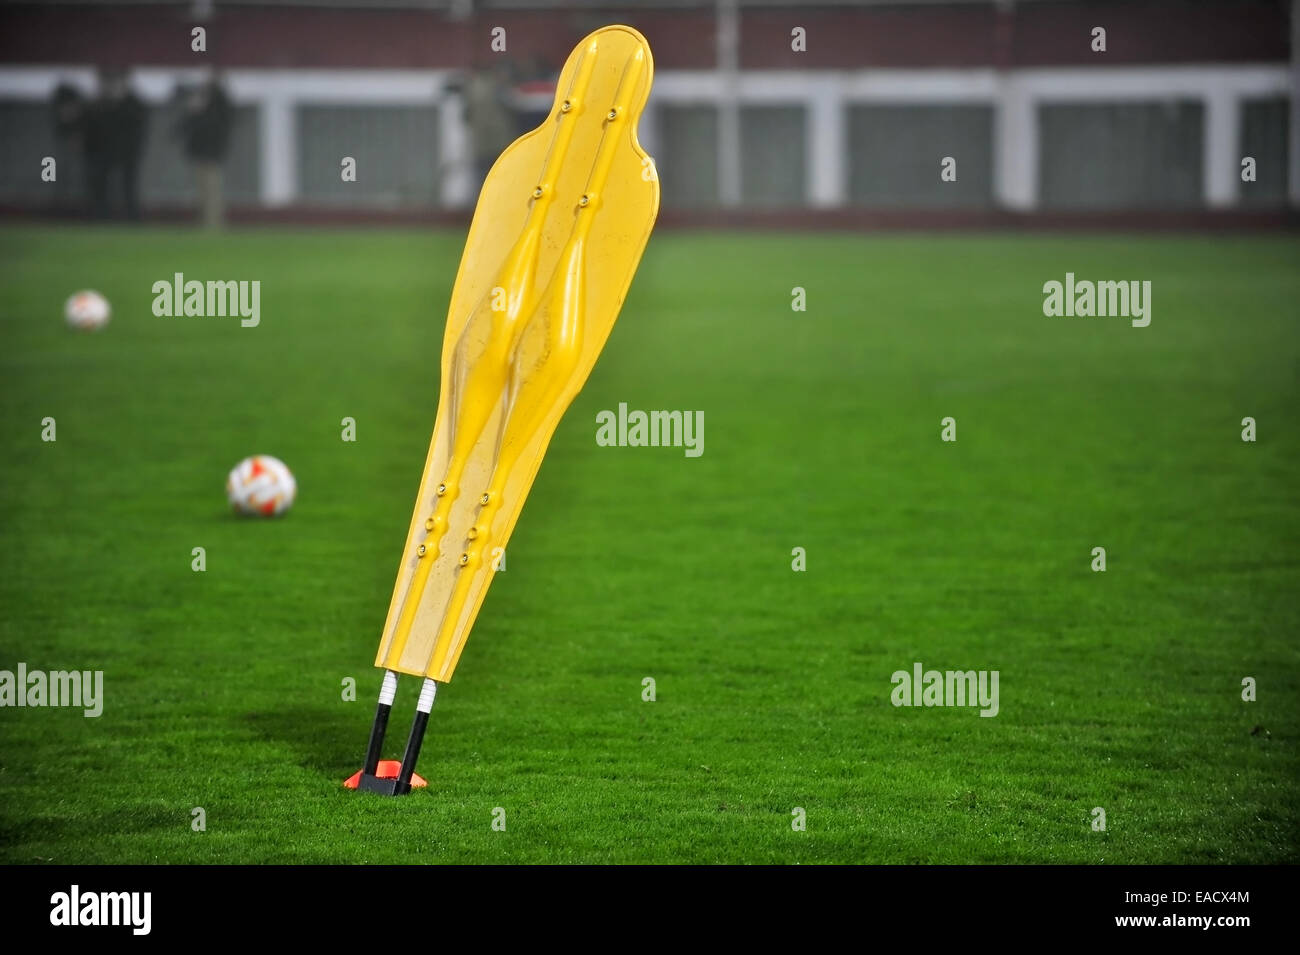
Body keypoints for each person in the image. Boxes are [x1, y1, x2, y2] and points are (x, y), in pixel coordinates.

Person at [82, 68, 148, 220]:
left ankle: (131, 218)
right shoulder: (99, 103)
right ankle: (100, 216)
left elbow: (137, 128)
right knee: (100, 187)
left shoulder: (133, 103)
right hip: (101, 152)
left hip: (127, 153)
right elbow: (92, 128)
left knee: (128, 187)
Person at [177, 72, 234, 229]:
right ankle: (205, 220)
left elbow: (216, 127)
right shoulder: (207, 100)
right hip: (202, 152)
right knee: (203, 189)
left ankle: (213, 221)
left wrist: (198, 110)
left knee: (211, 189)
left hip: (212, 153)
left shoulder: (218, 103)